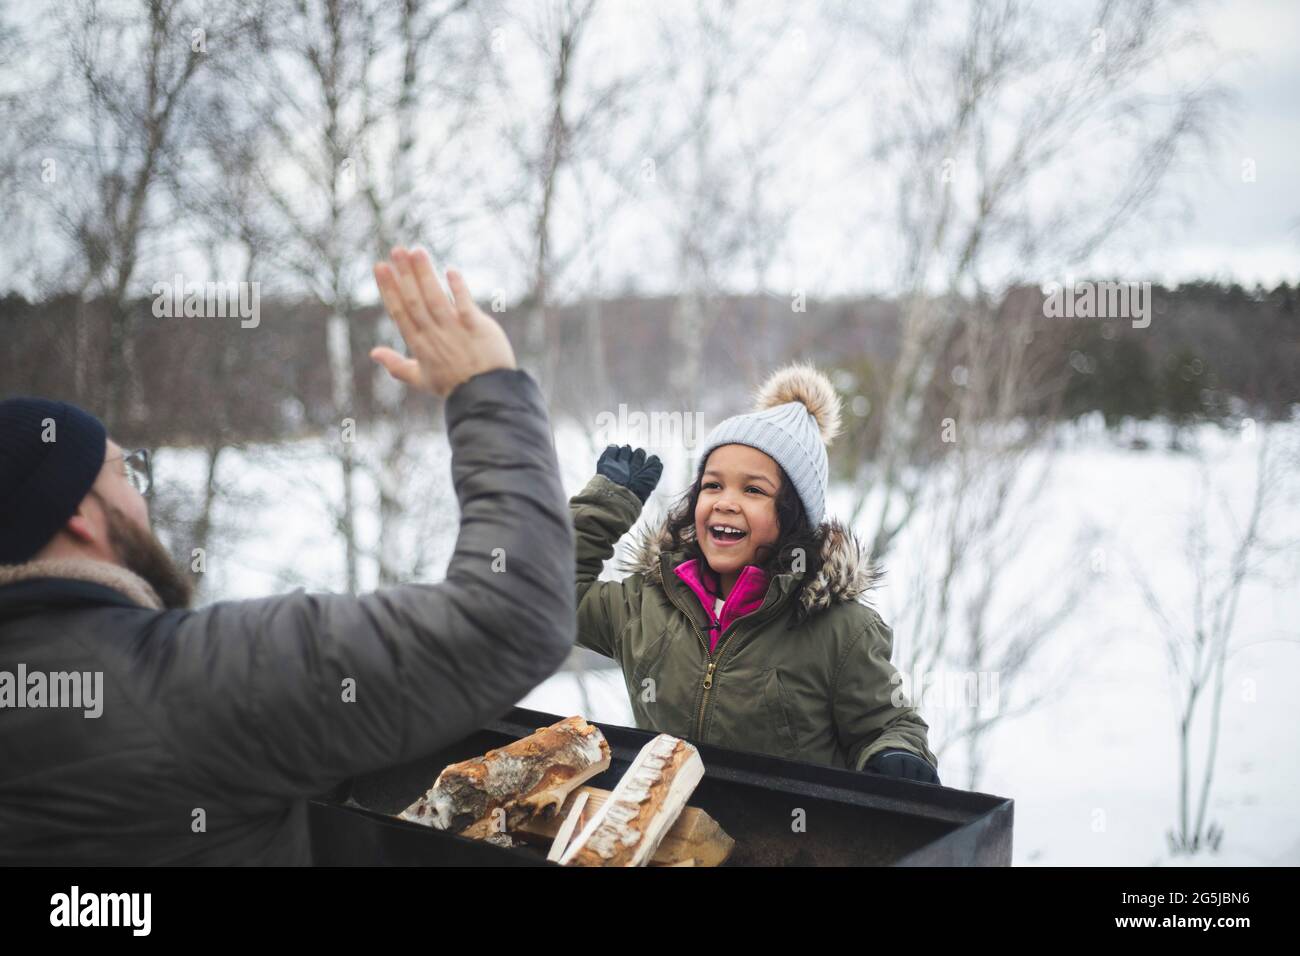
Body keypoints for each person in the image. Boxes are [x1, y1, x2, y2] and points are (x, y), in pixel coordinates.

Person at [0, 247, 576, 864]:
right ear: (77, 514)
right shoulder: (188, 683)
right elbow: (510, 618)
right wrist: (485, 388)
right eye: (125, 474)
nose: (142, 499)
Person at [570, 363, 940, 783]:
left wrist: (896, 753)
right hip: (662, 836)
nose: (726, 502)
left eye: (753, 490)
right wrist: (600, 509)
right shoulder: (646, 605)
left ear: (793, 517)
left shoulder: (840, 629)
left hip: (787, 842)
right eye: (712, 485)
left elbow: (887, 723)